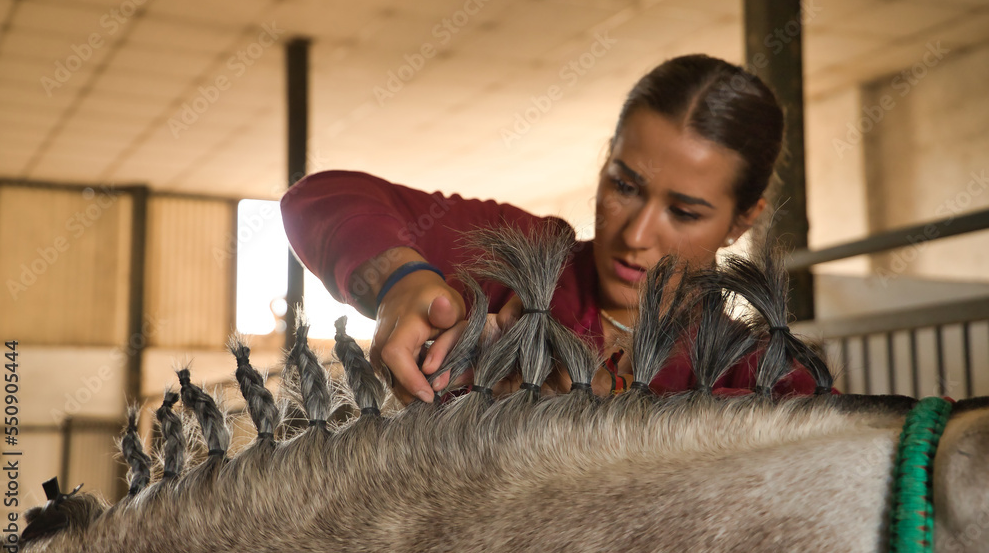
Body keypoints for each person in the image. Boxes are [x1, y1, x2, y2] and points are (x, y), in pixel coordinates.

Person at [281, 54, 819, 404]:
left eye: (684, 213)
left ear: (741, 221)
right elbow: (320, 200)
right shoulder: (524, 256)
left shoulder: (758, 376)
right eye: (625, 186)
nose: (636, 235)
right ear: (607, 160)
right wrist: (399, 279)